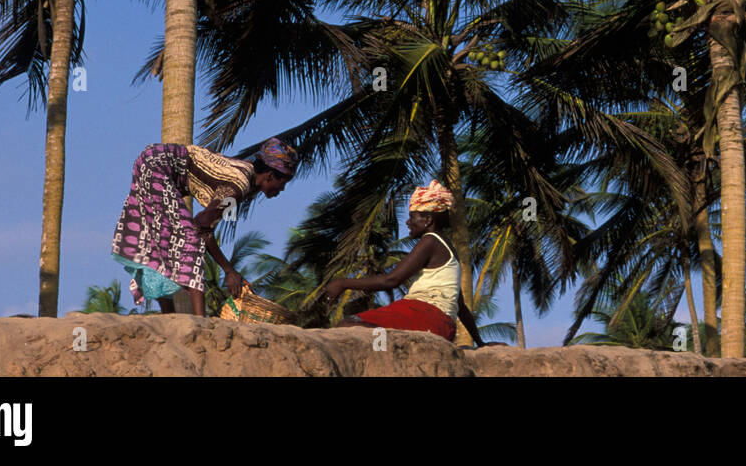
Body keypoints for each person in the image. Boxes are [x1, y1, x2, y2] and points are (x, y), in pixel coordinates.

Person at [110, 137, 296, 315]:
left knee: (160, 241)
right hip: (156, 168)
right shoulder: (239, 185)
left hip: (151, 161)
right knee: (192, 238)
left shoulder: (245, 183)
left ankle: (169, 315)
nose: (283, 189)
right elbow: (201, 225)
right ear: (270, 175)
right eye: (283, 182)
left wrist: (227, 267)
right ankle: (200, 320)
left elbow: (213, 221)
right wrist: (229, 270)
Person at [323, 180, 490, 345]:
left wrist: (343, 283)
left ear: (428, 220)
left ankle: (384, 358)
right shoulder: (447, 249)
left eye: (412, 216)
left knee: (349, 326)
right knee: (360, 328)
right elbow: (459, 305)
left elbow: (391, 280)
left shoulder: (430, 241)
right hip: (439, 323)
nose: (408, 222)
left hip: (428, 316)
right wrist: (480, 343)